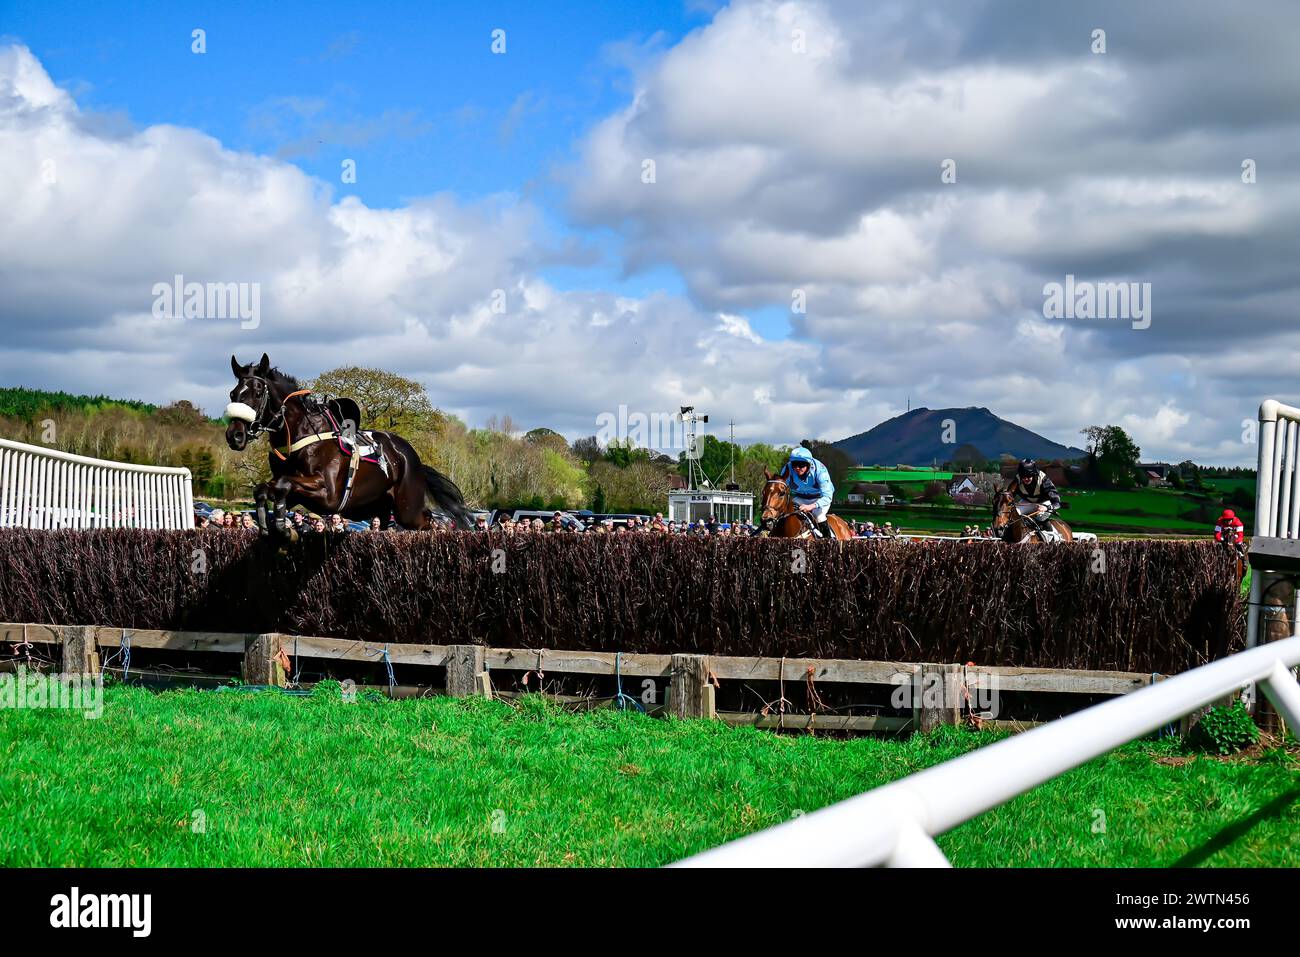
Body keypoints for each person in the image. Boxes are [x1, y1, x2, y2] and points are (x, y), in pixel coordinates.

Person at [778, 446, 835, 539]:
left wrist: (810, 506)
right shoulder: (787, 469)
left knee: (818, 515)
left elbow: (828, 497)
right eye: (794, 464)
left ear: (809, 464)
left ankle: (828, 541)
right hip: (800, 498)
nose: (797, 468)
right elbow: (781, 488)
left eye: (801, 465)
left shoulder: (820, 471)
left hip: (819, 498)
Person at [1005, 459, 1061, 525]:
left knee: (1040, 515)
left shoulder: (1043, 479)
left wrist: (1046, 507)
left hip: (1044, 503)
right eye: (1023, 476)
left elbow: (1057, 502)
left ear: (1034, 474)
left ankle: (1049, 532)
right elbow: (1008, 497)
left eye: (1029, 476)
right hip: (1027, 502)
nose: (1026, 479)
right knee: (1013, 513)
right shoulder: (1017, 479)